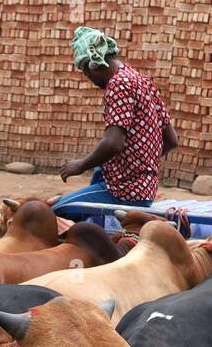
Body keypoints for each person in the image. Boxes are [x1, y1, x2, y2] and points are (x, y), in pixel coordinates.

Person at [58, 26, 178, 216]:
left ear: (94, 65)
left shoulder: (118, 84)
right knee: (99, 172)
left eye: (86, 73)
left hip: (121, 191)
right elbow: (172, 140)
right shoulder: (141, 81)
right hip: (145, 191)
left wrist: (81, 165)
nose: (90, 79)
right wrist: (143, 165)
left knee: (56, 211)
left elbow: (113, 143)